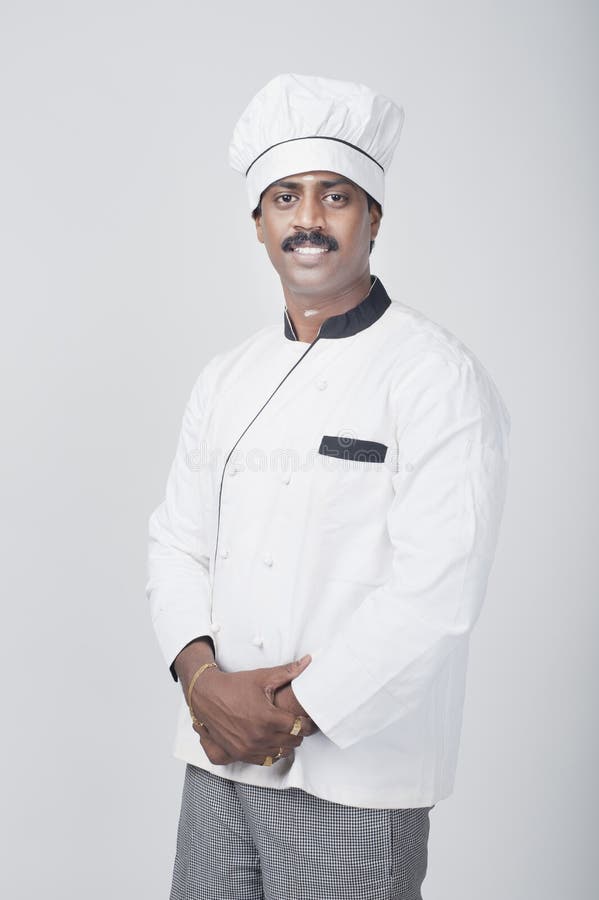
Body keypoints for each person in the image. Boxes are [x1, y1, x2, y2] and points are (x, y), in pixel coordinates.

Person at [146, 72, 511, 899]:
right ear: (258, 222)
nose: (307, 219)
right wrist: (203, 683)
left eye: (334, 197)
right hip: (214, 764)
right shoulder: (225, 377)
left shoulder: (433, 376)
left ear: (373, 217)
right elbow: (174, 541)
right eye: (285, 197)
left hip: (353, 778)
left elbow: (437, 588)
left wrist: (284, 713)